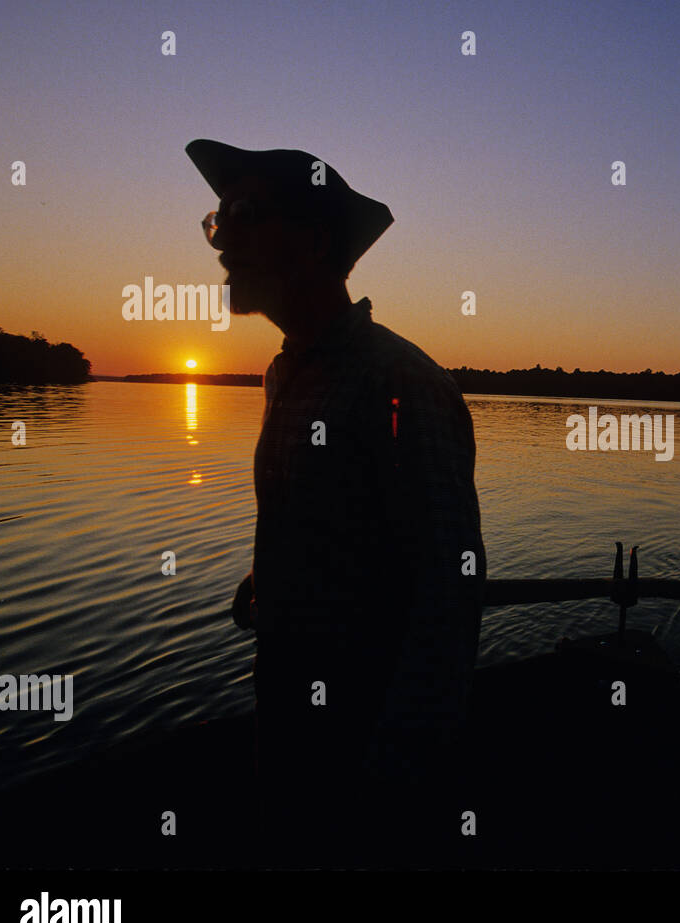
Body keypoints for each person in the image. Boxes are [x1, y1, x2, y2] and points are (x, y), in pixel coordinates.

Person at [186, 139, 486, 863]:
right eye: (216, 219)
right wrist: (271, 579)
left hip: (363, 759)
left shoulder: (401, 384)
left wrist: (392, 775)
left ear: (316, 241)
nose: (223, 239)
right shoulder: (284, 375)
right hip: (288, 731)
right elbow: (336, 522)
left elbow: (450, 592)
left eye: (246, 214)